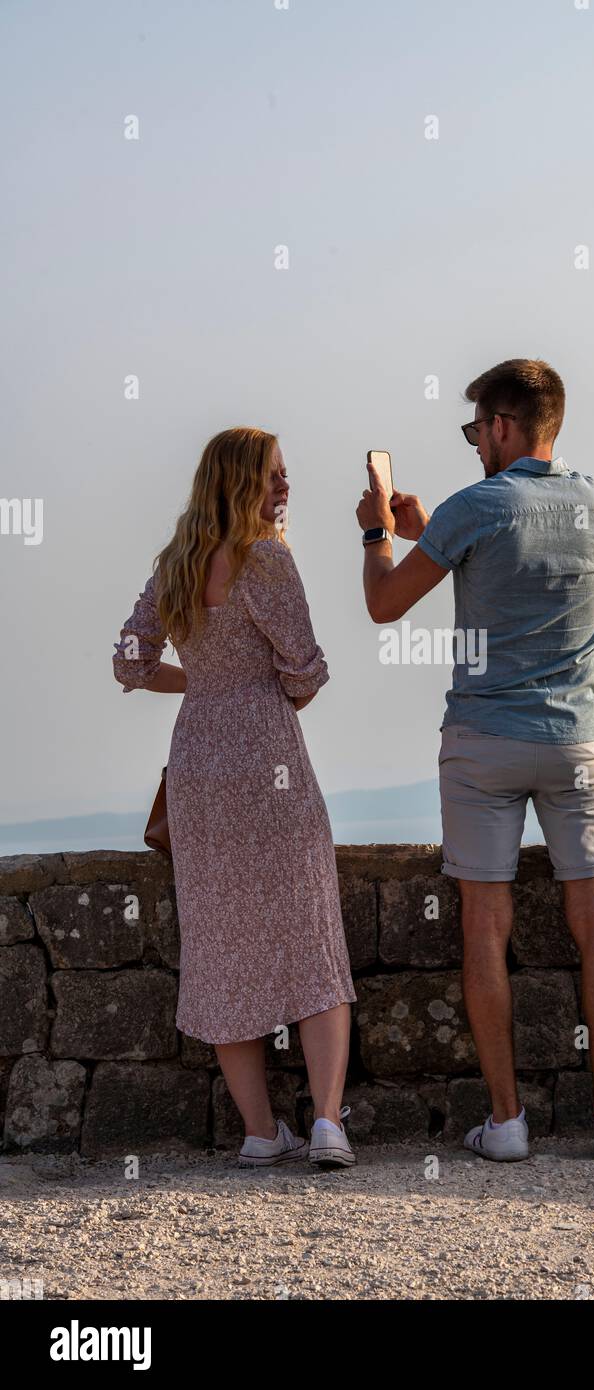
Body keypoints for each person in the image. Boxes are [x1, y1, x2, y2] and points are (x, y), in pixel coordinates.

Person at [355, 359, 594, 1161]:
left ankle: (505, 1124)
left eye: (475, 431)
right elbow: (526, 557)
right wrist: (441, 530)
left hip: (483, 744)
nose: (475, 446)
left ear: (501, 426)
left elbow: (385, 604)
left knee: (484, 927)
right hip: (577, 741)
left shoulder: (476, 508)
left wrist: (379, 533)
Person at [113, 426, 357, 1169]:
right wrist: (252, 685)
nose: (285, 486)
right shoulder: (268, 560)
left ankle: (258, 1133)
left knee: (220, 943)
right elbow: (305, 676)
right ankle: (325, 1124)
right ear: (240, 481)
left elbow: (128, 662)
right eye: (272, 476)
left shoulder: (176, 565)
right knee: (311, 935)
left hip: (198, 765)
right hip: (268, 761)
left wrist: (204, 682)